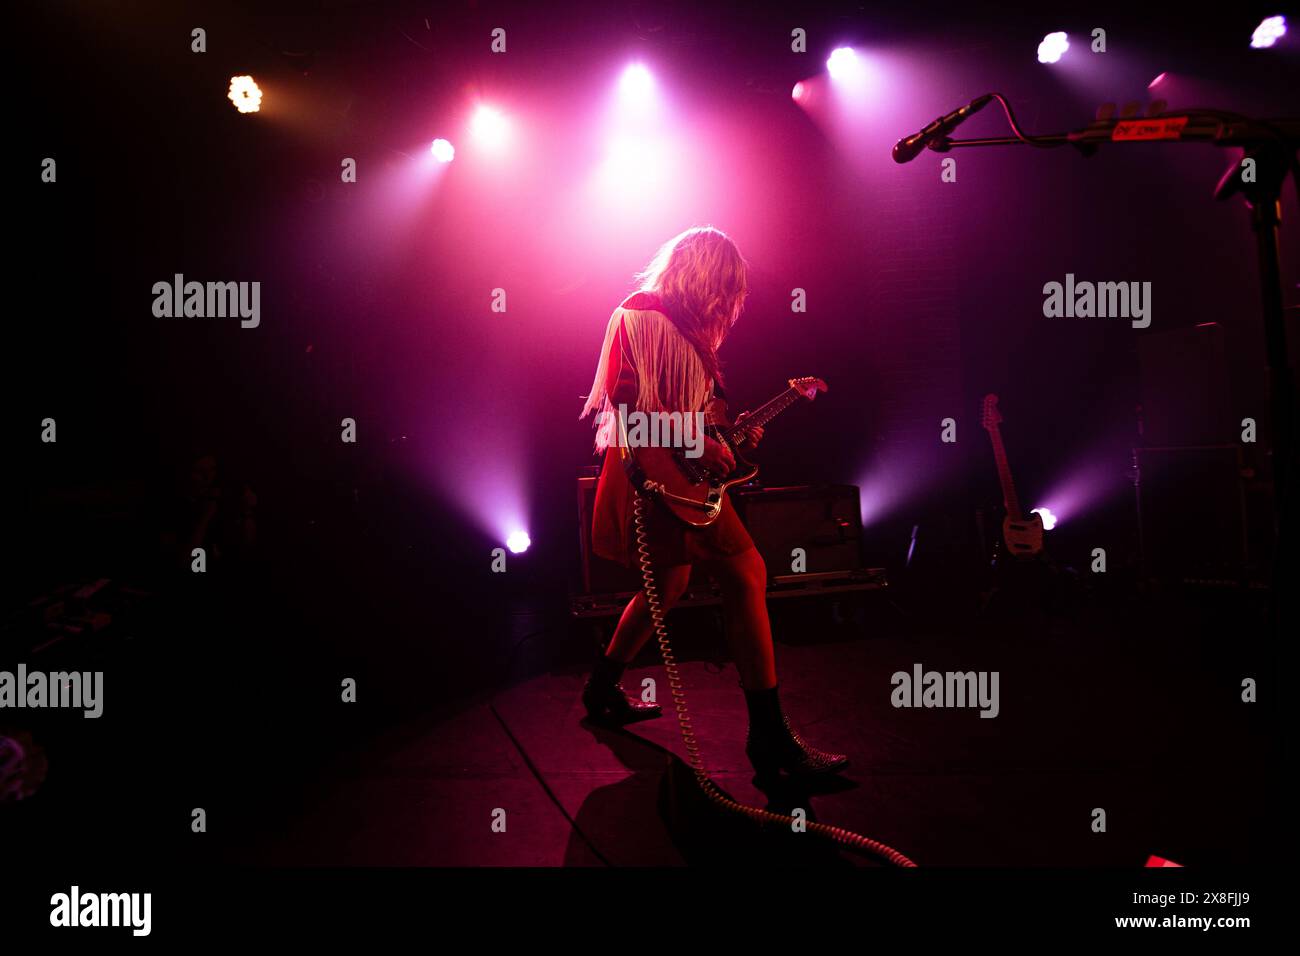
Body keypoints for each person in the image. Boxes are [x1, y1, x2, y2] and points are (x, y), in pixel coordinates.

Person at [579, 226, 847, 779]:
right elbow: (628, 413)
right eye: (725, 289)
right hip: (651, 473)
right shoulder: (642, 316)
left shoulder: (688, 332)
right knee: (747, 573)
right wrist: (697, 441)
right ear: (702, 276)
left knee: (671, 585)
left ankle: (601, 688)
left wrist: (729, 438)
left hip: (675, 472)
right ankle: (770, 741)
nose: (729, 304)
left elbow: (692, 412)